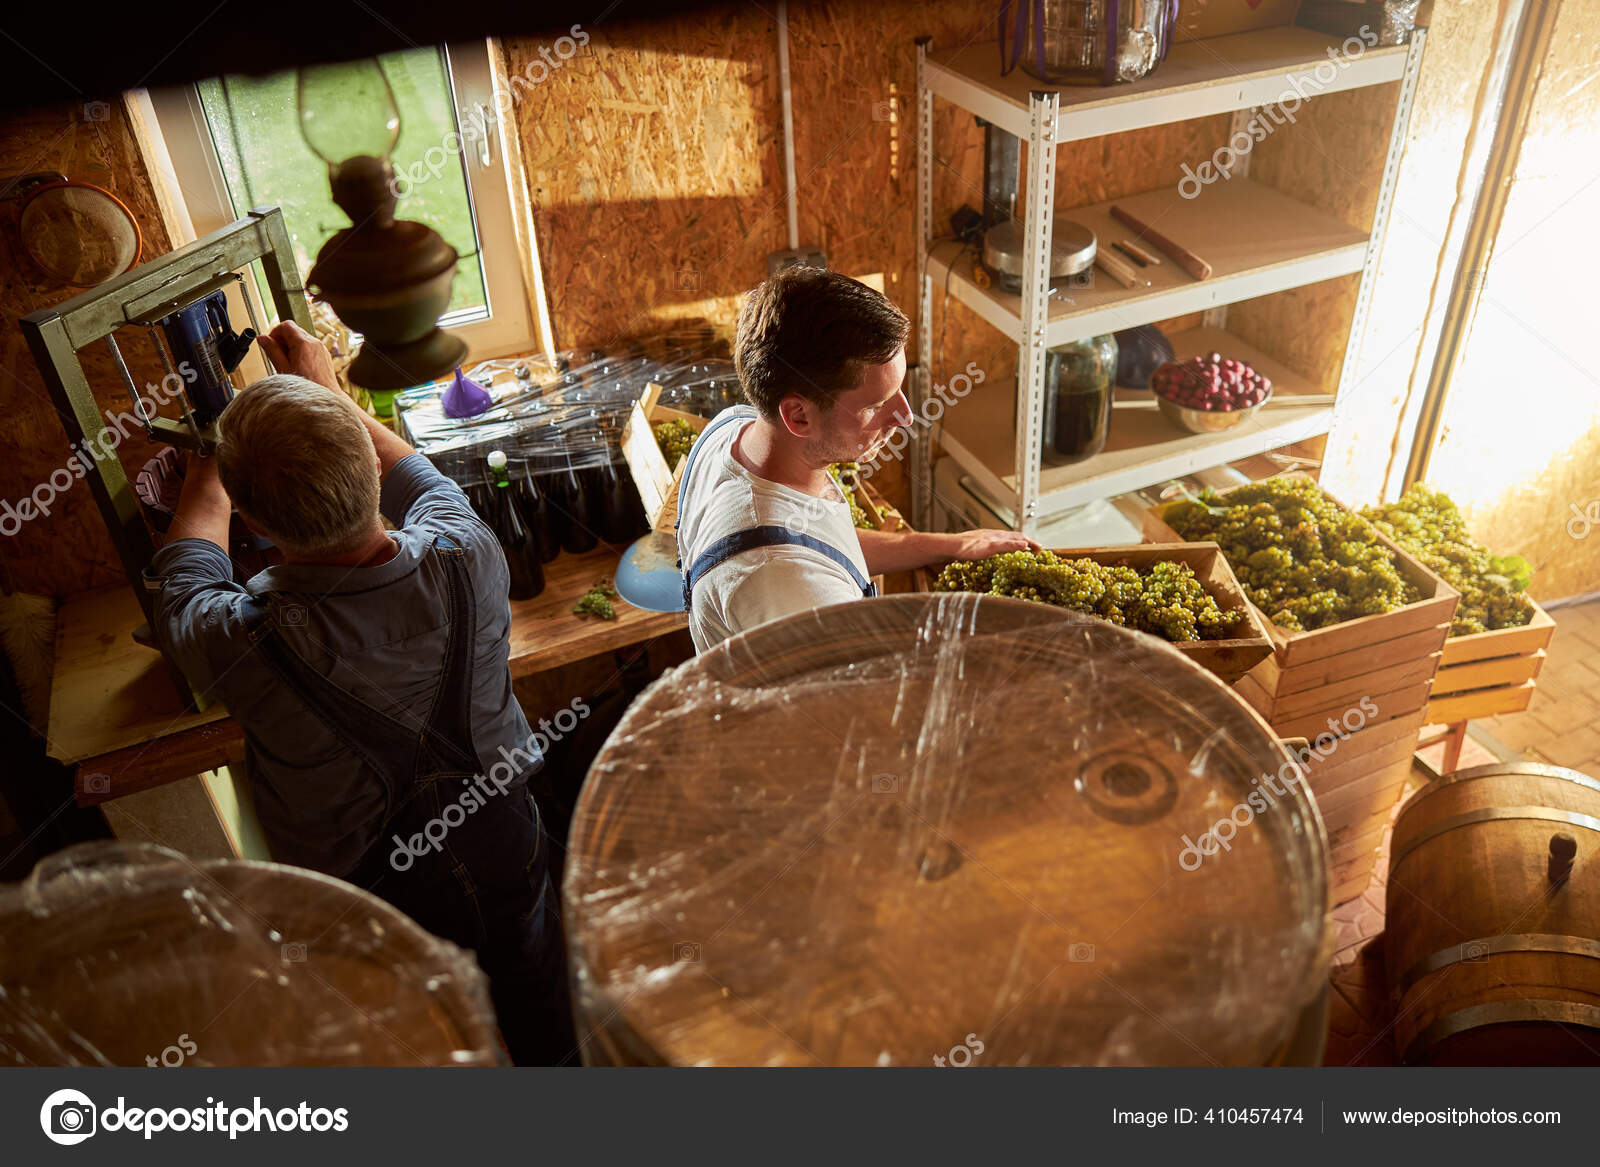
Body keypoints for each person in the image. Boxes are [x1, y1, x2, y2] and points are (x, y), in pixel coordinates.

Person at [152, 320, 572, 1065]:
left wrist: (211, 465)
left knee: (423, 1044)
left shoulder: (238, 639)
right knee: (543, 1001)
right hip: (510, 846)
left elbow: (186, 576)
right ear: (371, 478)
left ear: (252, 521)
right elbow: (416, 473)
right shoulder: (467, 552)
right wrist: (330, 395)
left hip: (375, 906)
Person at [677, 266, 1037, 651]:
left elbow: (814, 542)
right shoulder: (787, 585)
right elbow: (859, 705)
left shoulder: (734, 433)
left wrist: (949, 545)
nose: (905, 415)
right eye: (877, 404)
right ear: (798, 416)